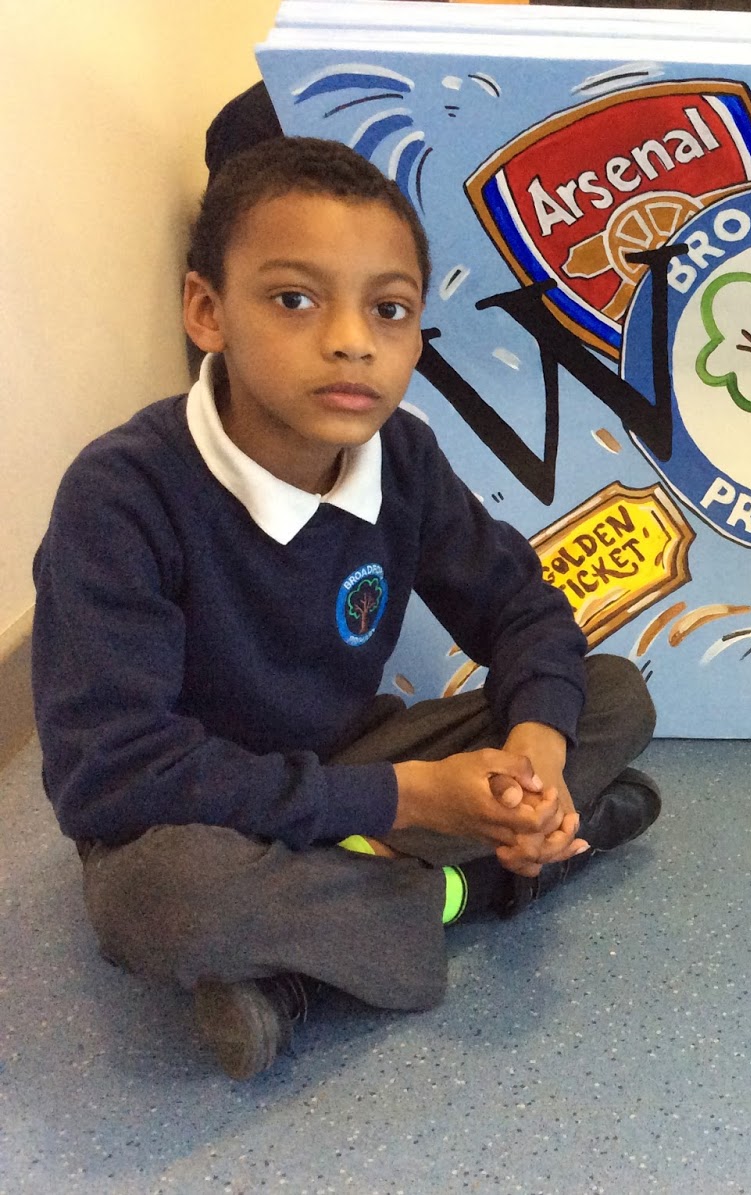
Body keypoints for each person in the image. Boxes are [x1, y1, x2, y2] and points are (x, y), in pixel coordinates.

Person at [32, 137, 661, 1080]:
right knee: (164, 900)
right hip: (196, 816)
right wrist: (412, 798)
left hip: (352, 759)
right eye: (295, 299)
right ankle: (477, 882)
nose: (351, 340)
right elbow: (111, 775)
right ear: (207, 310)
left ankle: (312, 960)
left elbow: (523, 611)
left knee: (610, 695)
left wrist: (535, 752)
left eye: (389, 309)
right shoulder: (120, 496)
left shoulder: (400, 454)